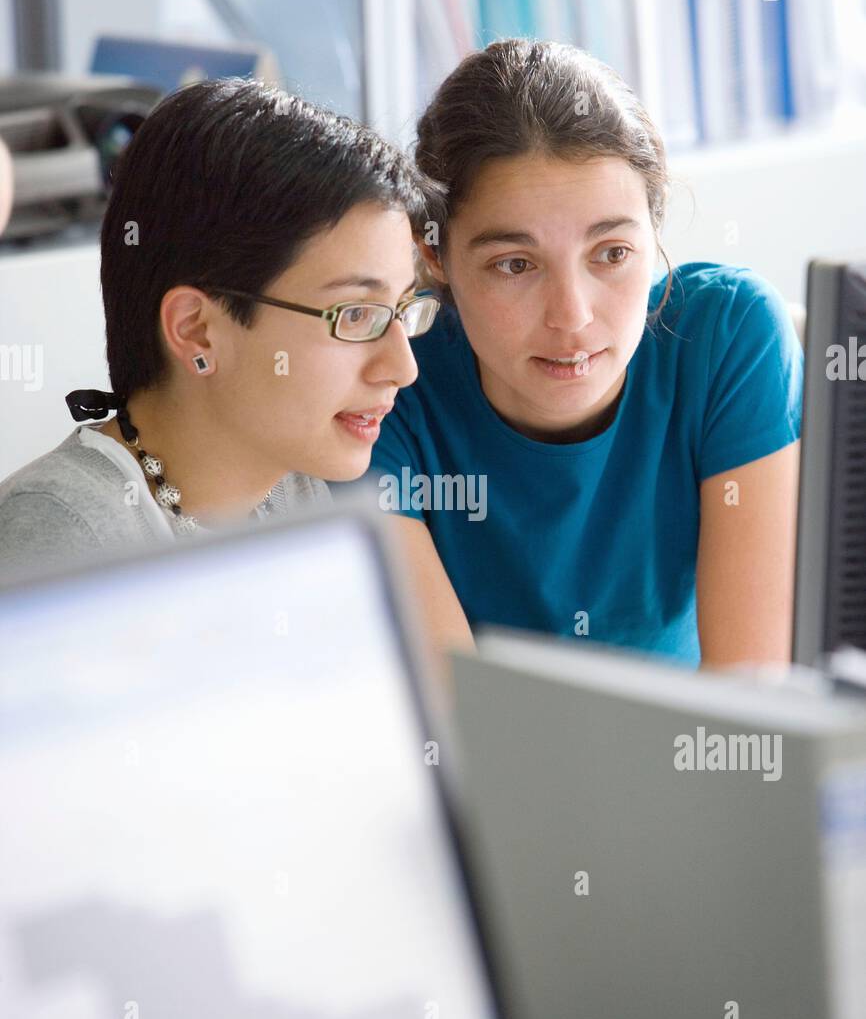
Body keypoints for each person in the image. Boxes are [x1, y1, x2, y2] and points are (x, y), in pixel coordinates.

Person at [364, 39, 803, 668]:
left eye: (613, 254)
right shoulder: (386, 393)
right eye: (514, 264)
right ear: (434, 254)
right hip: (499, 764)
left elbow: (749, 699)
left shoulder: (728, 337)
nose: (572, 315)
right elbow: (459, 726)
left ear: (654, 234)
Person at [0, 80, 441, 576]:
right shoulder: (63, 537)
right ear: (197, 331)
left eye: (402, 308)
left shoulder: (290, 484)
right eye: (355, 315)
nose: (403, 369)